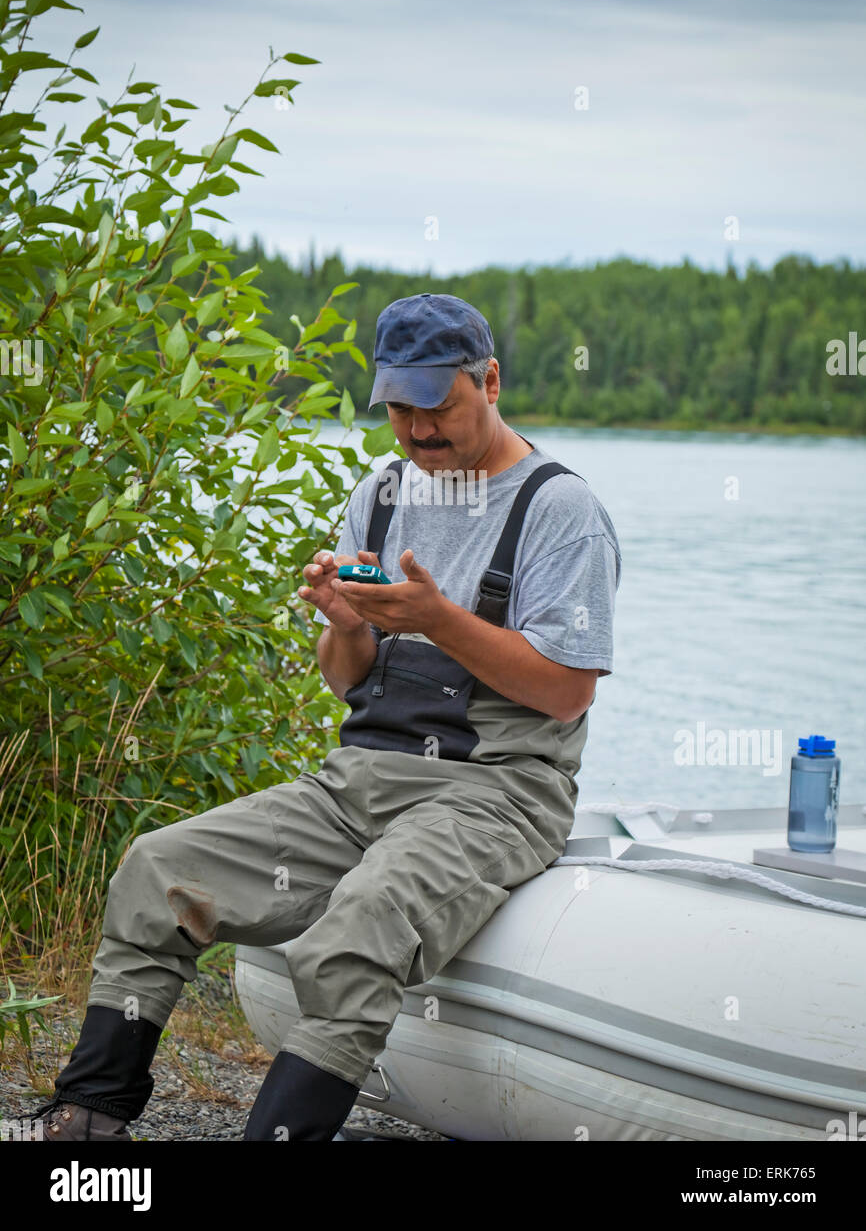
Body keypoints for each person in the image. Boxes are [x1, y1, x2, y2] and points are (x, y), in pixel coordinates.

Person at [25, 292, 621, 1142]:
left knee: (359, 928)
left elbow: (568, 690)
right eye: (399, 411)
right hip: (358, 782)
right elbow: (348, 682)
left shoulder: (560, 511)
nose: (417, 433)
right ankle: (88, 1122)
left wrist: (438, 618)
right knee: (157, 870)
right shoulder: (380, 493)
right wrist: (347, 626)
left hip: (496, 794)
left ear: (488, 381)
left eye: (437, 407)